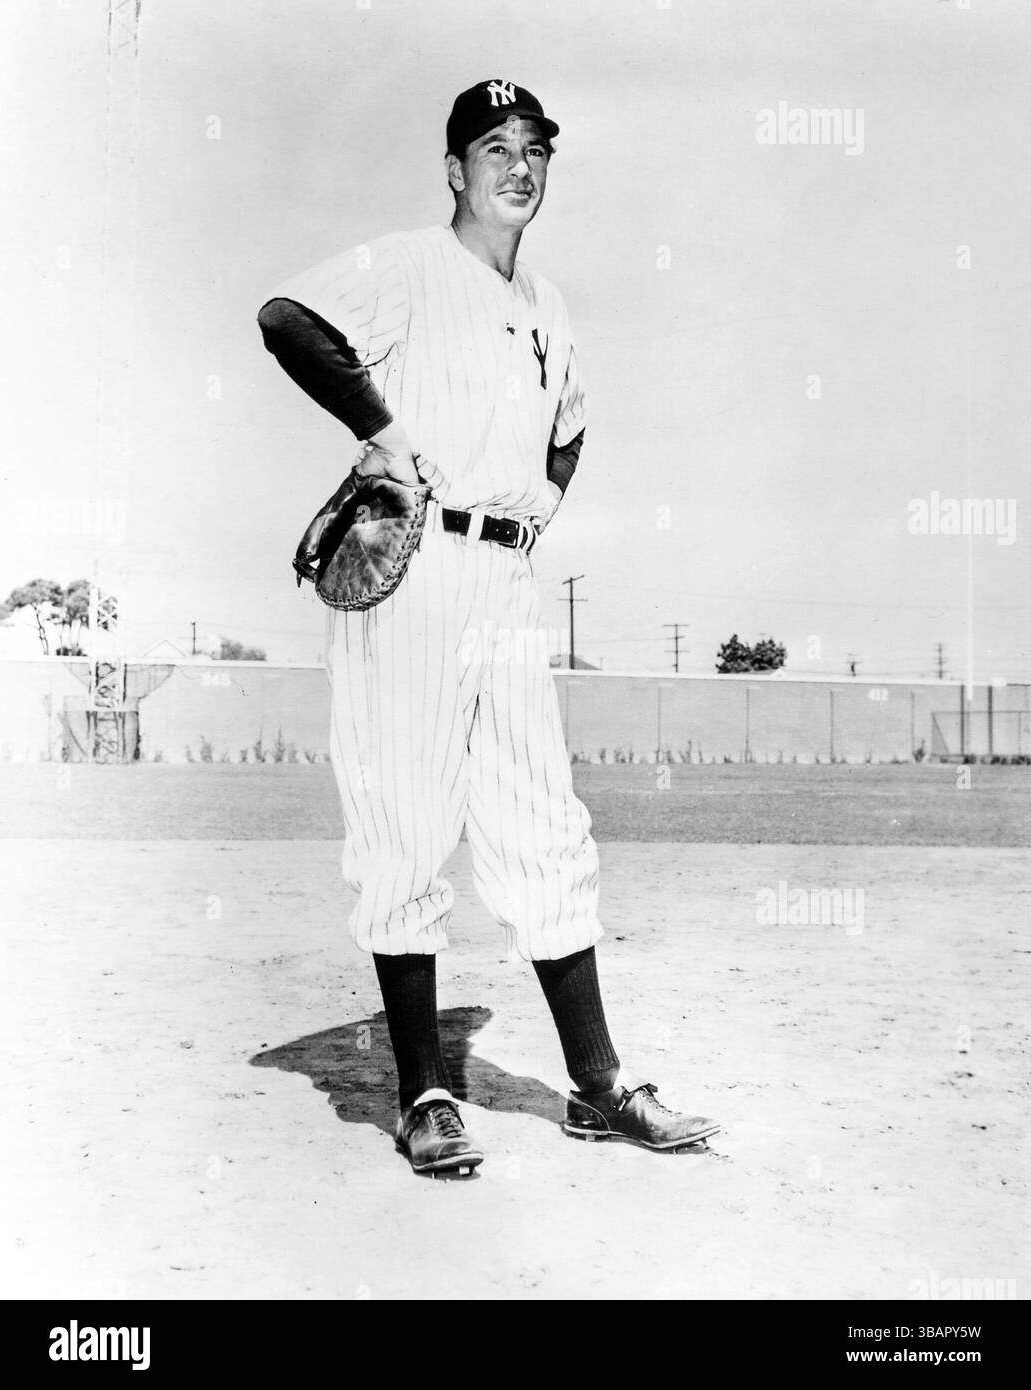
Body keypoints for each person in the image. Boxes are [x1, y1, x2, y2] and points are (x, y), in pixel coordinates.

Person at [258, 79, 720, 1176]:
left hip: (505, 576)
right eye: (494, 147)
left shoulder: (549, 303)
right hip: (416, 566)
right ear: (455, 171)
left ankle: (600, 1085)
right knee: (406, 820)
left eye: (536, 149)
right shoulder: (412, 264)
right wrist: (384, 430)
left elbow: (570, 429)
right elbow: (287, 318)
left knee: (544, 823)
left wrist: (549, 499)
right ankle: (424, 1087)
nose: (519, 165)